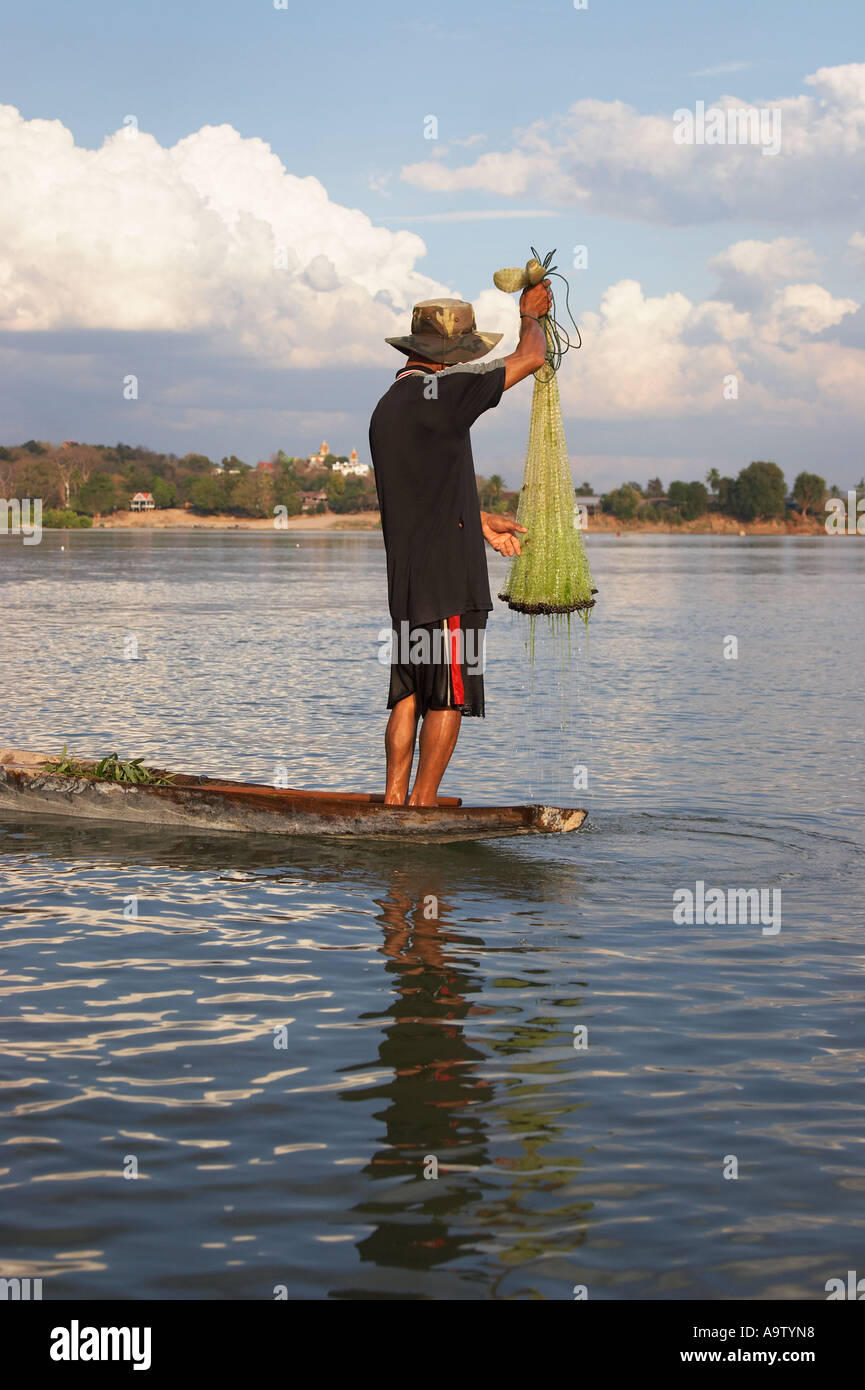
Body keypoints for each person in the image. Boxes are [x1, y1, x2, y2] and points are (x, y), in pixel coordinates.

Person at [368, 278, 552, 806]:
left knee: (408, 695)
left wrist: (480, 519)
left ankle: (393, 804)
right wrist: (529, 313)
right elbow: (531, 357)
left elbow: (421, 494)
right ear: (450, 358)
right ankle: (423, 811)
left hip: (406, 586)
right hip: (449, 583)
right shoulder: (444, 393)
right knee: (447, 697)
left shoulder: (389, 406)